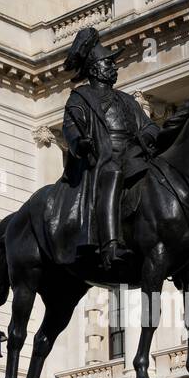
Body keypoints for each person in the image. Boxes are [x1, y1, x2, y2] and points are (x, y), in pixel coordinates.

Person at [56, 26, 159, 269]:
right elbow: (70, 127)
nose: (114, 67)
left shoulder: (126, 100)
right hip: (101, 155)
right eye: (108, 64)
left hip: (132, 152)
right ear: (94, 69)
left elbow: (149, 126)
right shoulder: (80, 98)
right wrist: (80, 143)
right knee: (113, 172)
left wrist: (148, 136)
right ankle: (110, 245)